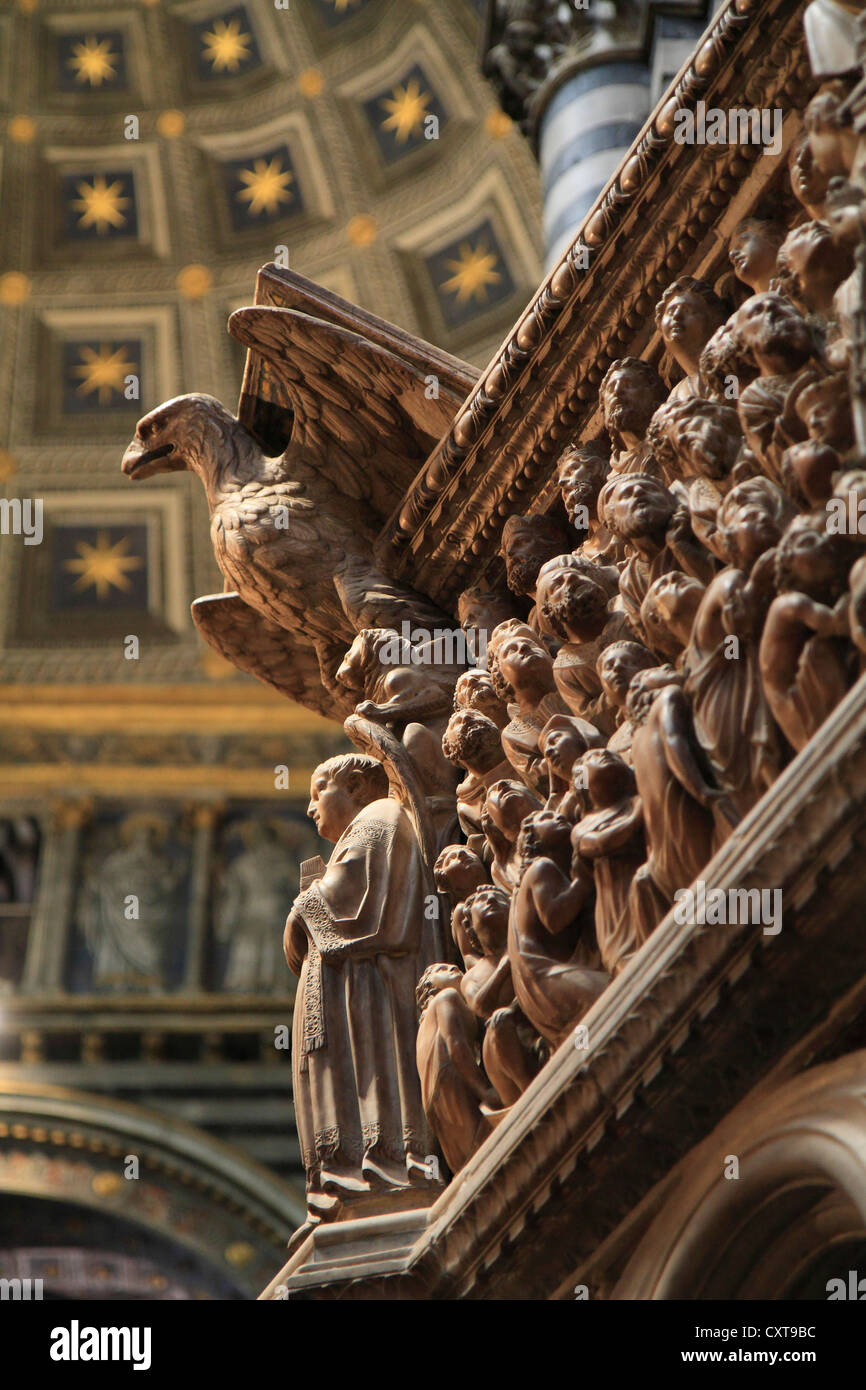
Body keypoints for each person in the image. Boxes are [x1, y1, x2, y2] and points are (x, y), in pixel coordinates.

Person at [284, 754, 441, 1236]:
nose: (311, 808)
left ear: (355, 785)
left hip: (369, 990)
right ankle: (343, 1177)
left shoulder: (380, 817)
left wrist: (301, 907)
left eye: (318, 791)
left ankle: (384, 1167)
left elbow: (356, 902)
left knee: (372, 1077)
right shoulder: (361, 830)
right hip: (348, 986)